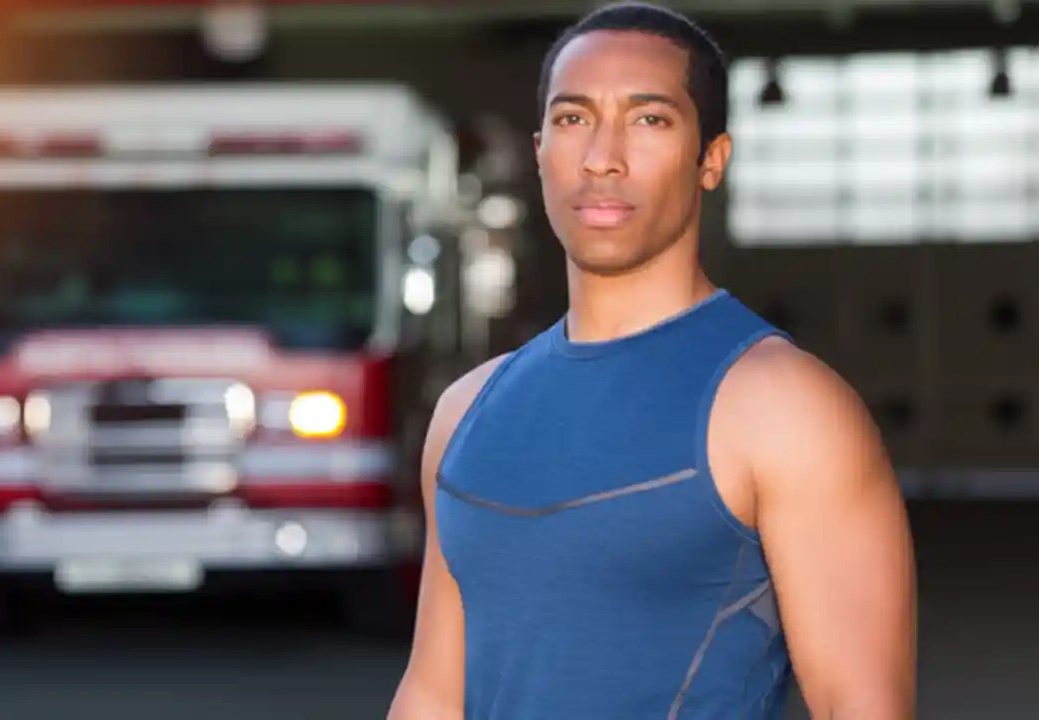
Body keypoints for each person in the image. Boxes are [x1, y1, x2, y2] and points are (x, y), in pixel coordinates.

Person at [387, 2, 917, 718]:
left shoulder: (786, 408)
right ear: (541, 149)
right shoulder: (465, 413)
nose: (603, 156)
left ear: (711, 160)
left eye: (649, 119)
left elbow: (863, 708)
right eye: (575, 119)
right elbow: (431, 695)